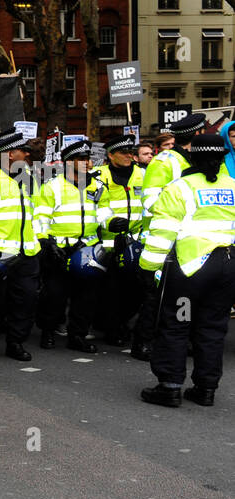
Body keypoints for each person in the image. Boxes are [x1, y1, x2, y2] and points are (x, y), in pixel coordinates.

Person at [138, 134, 235, 407]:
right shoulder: (233, 186)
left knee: (178, 324)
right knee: (213, 328)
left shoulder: (178, 188)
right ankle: (205, 389)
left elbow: (161, 236)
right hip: (226, 269)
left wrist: (148, 269)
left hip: (190, 270)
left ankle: (169, 387)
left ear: (192, 157)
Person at [135, 113, 204, 359]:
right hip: (164, 237)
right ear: (196, 134)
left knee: (185, 294)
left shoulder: (195, 157)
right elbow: (151, 201)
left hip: (189, 239)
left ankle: (179, 339)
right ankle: (143, 342)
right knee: (156, 294)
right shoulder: (164, 161)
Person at [0, 130, 42, 361]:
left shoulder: (28, 175)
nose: (27, 155)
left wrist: (41, 238)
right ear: (10, 154)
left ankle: (16, 343)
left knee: (25, 301)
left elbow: (36, 211)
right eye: (24, 151)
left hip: (27, 250)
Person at [34, 139, 101, 353]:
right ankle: (48, 331)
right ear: (68, 162)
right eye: (81, 159)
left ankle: (77, 336)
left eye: (87, 159)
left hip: (87, 249)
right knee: (55, 295)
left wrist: (112, 225)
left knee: (86, 297)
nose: (86, 163)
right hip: (60, 250)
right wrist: (46, 242)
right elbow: (40, 217)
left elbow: (104, 214)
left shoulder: (97, 186)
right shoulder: (52, 187)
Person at [91, 134, 147, 346]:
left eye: (130, 152)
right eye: (123, 153)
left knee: (135, 289)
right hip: (109, 241)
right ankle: (112, 329)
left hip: (136, 241)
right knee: (111, 290)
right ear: (110, 154)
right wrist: (110, 222)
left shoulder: (143, 173)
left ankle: (122, 322)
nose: (128, 156)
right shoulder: (98, 175)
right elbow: (95, 207)